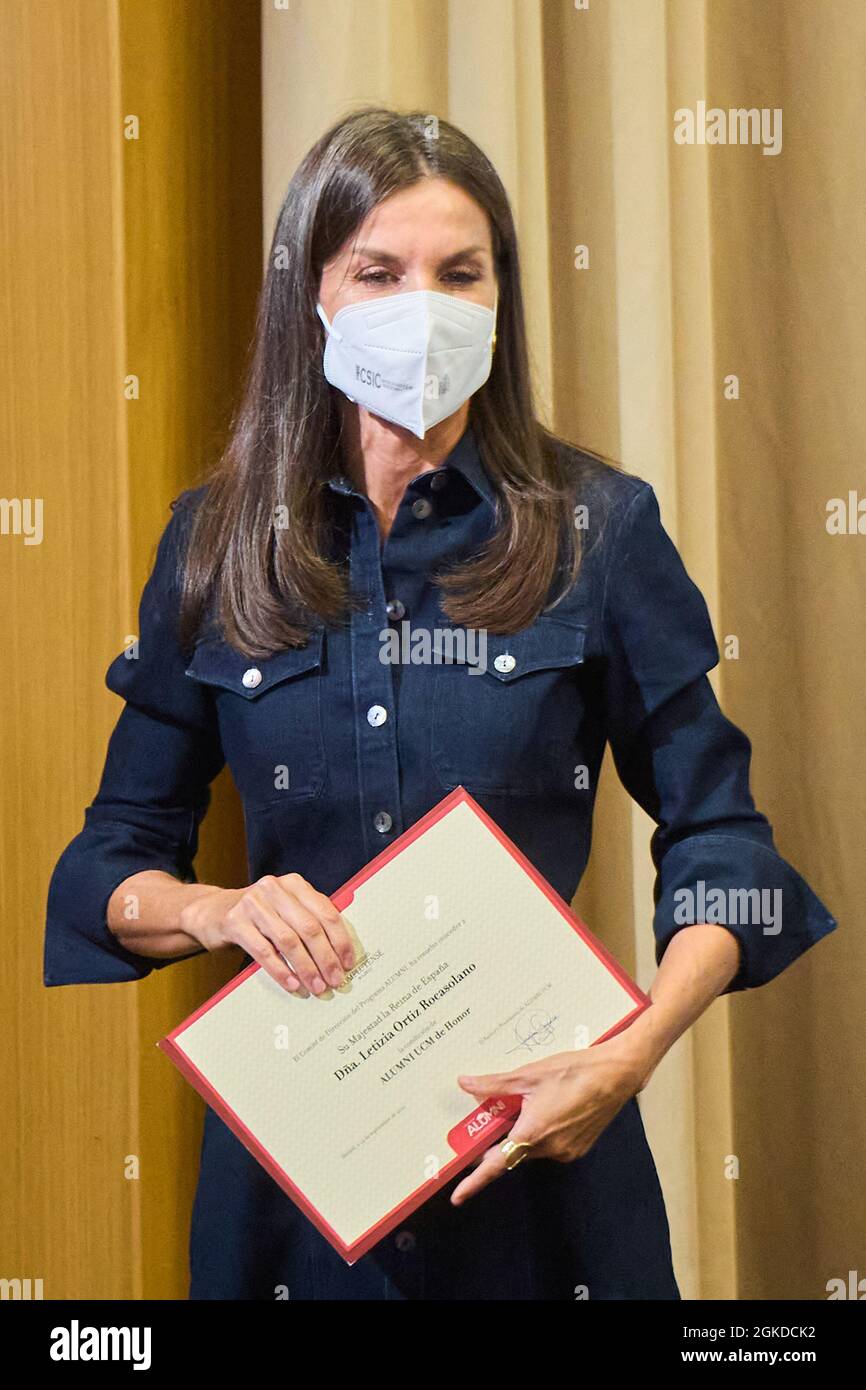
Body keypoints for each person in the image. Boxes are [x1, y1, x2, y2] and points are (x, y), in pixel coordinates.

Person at [44, 107, 837, 1301]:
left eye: (457, 273)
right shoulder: (213, 546)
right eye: (378, 271)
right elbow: (104, 865)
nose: (422, 304)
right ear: (311, 294)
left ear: (499, 298)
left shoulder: (599, 529)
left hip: (544, 1167)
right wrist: (219, 909)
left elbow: (724, 846)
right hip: (294, 1201)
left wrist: (627, 1055)